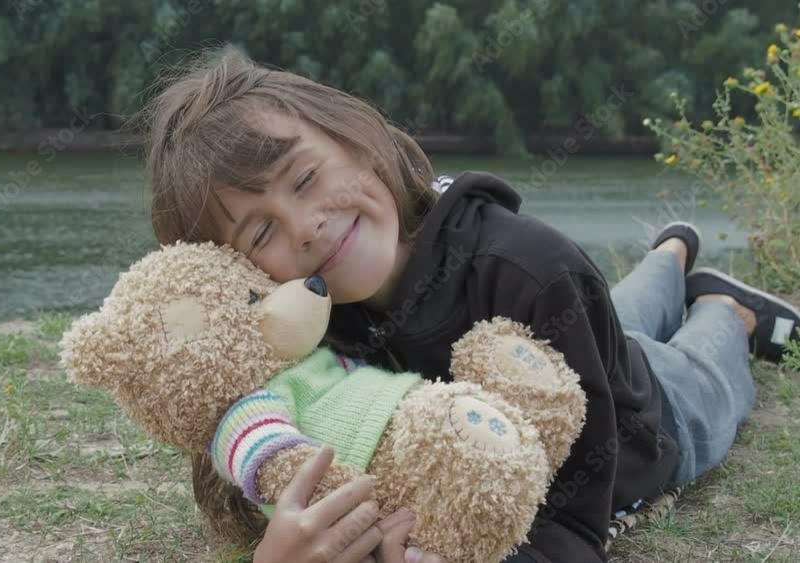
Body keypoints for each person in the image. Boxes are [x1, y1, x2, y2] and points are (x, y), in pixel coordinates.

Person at [142, 47, 800, 562]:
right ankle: (668, 258)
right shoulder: (296, 325)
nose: (304, 226)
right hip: (590, 337)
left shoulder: (532, 270)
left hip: (643, 419)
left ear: (362, 142)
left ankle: (723, 304)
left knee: (704, 375)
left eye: (306, 177)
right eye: (260, 232)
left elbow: (572, 524)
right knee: (621, 319)